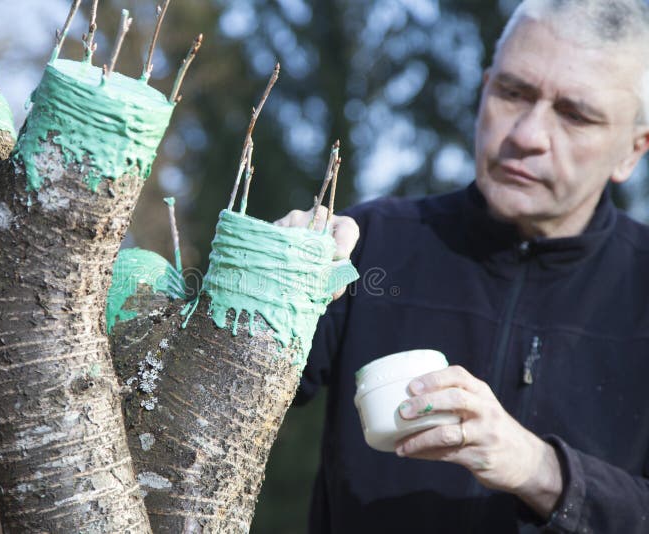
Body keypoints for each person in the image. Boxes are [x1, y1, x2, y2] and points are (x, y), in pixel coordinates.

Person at [275, 0, 649, 531]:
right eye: (512, 93)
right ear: (484, 87)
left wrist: (540, 470)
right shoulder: (373, 244)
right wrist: (260, 280)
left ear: (631, 152)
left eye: (575, 115)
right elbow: (203, 402)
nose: (527, 136)